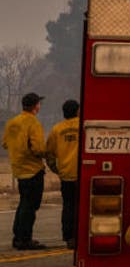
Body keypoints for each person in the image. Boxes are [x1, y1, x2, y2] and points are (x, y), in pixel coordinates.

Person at [4, 92, 47, 249]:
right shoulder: (33, 123)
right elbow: (38, 148)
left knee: (24, 204)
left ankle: (17, 237)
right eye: (39, 104)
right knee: (30, 207)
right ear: (35, 106)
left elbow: (5, 143)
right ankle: (25, 239)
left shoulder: (12, 122)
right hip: (33, 170)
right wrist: (47, 152)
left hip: (19, 169)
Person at [46, 100, 80, 249]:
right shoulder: (84, 125)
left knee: (68, 206)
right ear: (78, 111)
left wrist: (56, 169)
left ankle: (69, 237)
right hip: (83, 174)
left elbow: (49, 154)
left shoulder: (56, 129)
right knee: (83, 206)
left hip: (66, 174)